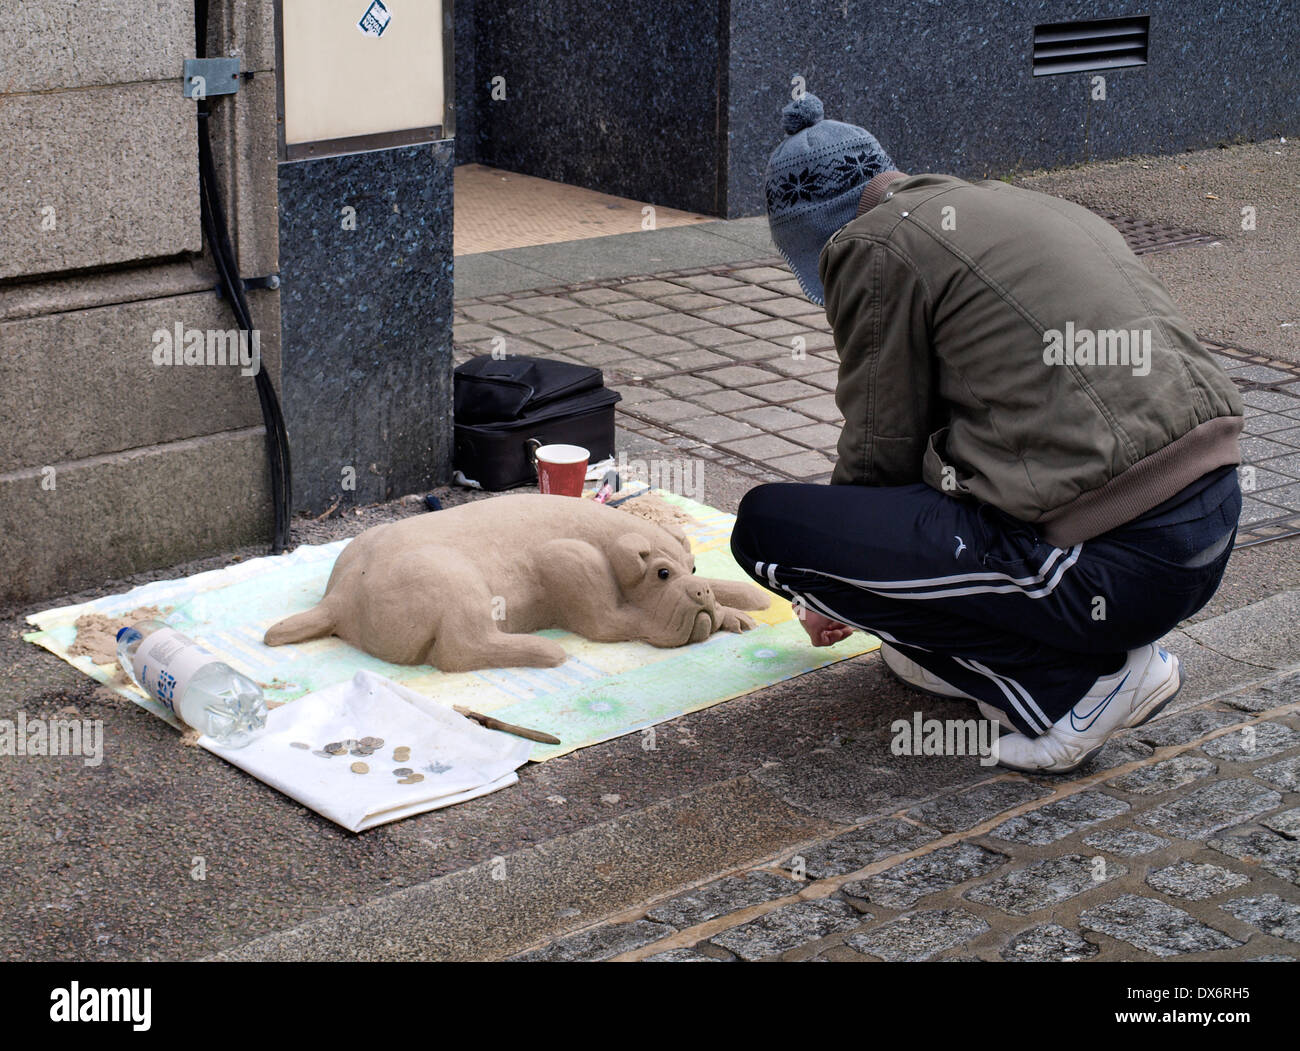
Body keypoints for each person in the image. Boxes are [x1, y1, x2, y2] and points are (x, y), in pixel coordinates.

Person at [730, 94, 1244, 773]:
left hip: (1120, 562)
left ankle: (1075, 688)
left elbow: (879, 454)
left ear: (816, 238)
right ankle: (1090, 653)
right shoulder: (1013, 206)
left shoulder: (871, 244)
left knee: (768, 527)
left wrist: (829, 576)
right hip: (1207, 525)